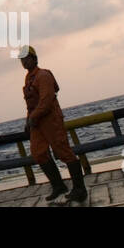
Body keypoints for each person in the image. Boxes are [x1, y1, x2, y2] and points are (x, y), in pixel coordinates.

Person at [19, 45, 86, 203]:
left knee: (63, 151)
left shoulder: (43, 76)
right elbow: (32, 104)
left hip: (50, 119)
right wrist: (28, 121)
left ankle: (80, 189)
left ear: (34, 58)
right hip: (37, 122)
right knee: (38, 153)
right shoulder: (29, 78)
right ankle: (58, 186)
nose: (24, 62)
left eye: (26, 58)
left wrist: (32, 117)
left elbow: (46, 100)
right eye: (22, 59)